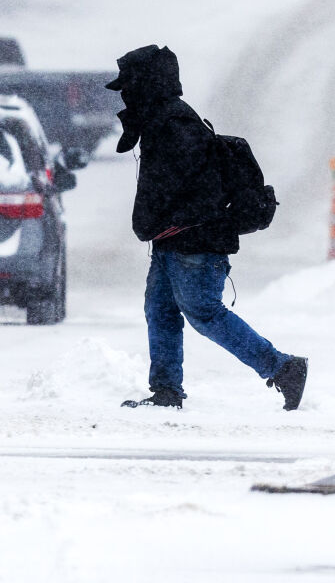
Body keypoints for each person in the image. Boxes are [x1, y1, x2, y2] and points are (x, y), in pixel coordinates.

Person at [109, 44, 307, 411]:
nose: (124, 93)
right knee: (162, 312)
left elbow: (193, 188)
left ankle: (282, 368)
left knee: (205, 313)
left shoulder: (174, 124)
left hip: (195, 244)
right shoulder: (161, 120)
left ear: (147, 83)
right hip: (176, 243)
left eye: (128, 85)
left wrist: (170, 222)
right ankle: (166, 391)